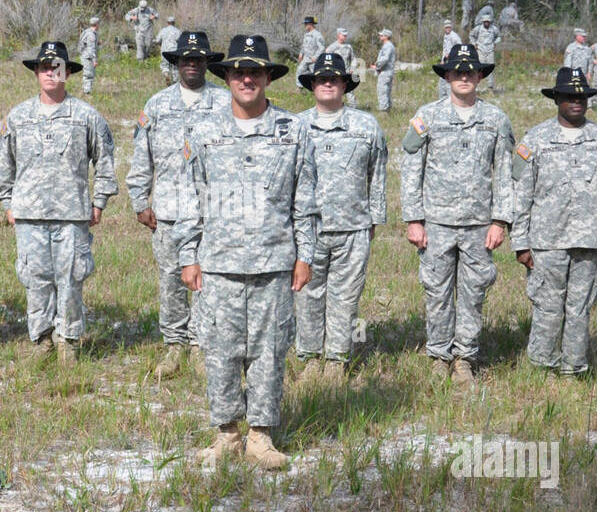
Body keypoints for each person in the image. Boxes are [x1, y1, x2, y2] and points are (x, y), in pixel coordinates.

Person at [175, 35, 317, 470]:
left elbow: (306, 200)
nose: (247, 78)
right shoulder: (203, 132)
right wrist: (188, 254)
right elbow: (187, 196)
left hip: (275, 263)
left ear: (269, 77)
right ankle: (227, 434)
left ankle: (261, 436)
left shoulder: (294, 132)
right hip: (217, 263)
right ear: (228, 77)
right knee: (219, 350)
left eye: (256, 71)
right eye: (239, 71)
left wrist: (305, 254)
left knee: (270, 350)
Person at [0, 41, 117, 364]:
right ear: (36, 72)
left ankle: (69, 341)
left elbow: (104, 161)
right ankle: (42, 339)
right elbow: (5, 163)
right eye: (45, 66)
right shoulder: (18, 116)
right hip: (29, 216)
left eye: (57, 66)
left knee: (71, 281)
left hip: (72, 215)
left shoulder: (87, 117)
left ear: (68, 72)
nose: (51, 71)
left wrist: (99, 201)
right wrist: (7, 202)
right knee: (35, 280)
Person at [401, 43, 514, 387]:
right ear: (447, 76)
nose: (464, 77)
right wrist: (413, 219)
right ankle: (438, 354)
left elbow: (506, 172)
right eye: (457, 72)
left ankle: (464, 357)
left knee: (473, 292)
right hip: (436, 222)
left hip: (479, 224)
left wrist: (500, 220)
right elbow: (410, 167)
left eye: (471, 72)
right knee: (436, 290)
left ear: (480, 76)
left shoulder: (495, 118)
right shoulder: (428, 116)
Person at [126, 31, 229, 378]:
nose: (192, 64)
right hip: (167, 213)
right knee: (170, 280)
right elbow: (142, 156)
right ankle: (174, 345)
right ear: (176, 63)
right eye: (186, 59)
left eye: (198, 59)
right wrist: (140, 200)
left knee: (208, 280)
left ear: (207, 64)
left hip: (210, 213)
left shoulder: (225, 104)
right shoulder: (157, 105)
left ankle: (201, 346)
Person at [511, 67, 597, 377]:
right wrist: (520, 242)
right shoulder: (535, 140)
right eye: (570, 96)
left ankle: (573, 368)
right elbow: (520, 195)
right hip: (547, 241)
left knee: (579, 309)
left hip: (590, 242)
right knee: (547, 306)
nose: (577, 101)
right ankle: (541, 367)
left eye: (582, 96)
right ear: (557, 98)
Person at [294, 52, 387, 380]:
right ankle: (309, 357)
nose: (328, 84)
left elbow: (377, 175)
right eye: (322, 79)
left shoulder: (366, 126)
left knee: (345, 296)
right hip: (308, 229)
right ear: (313, 85)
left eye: (334, 79)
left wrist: (374, 220)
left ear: (345, 84)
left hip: (353, 228)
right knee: (307, 295)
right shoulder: (297, 126)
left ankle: (336, 359)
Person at [296, 15, 325, 89]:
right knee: (299, 71)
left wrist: (315, 57)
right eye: (305, 24)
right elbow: (303, 46)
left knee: (316, 76)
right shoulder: (306, 34)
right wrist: (301, 55)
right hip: (306, 58)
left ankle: (317, 89)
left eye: (306, 24)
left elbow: (321, 48)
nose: (305, 25)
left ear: (311, 24)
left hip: (313, 60)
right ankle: (300, 88)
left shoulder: (317, 35)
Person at [437, 19, 462, 99]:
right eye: (446, 27)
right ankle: (442, 97)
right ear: (444, 28)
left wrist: (452, 55)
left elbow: (460, 47)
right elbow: (445, 49)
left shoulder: (454, 36)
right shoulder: (445, 36)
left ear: (451, 27)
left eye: (449, 27)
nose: (447, 29)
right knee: (442, 78)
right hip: (446, 61)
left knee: (450, 78)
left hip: (453, 61)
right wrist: (442, 60)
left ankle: (450, 97)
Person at [374, 28, 396, 111]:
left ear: (386, 36)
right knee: (386, 91)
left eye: (381, 35)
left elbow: (385, 58)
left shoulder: (388, 46)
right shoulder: (387, 46)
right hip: (387, 72)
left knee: (382, 91)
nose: (380, 36)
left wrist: (377, 66)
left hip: (385, 72)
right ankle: (387, 109)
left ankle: (384, 111)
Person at [78, 16, 100, 95]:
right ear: (97, 24)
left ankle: (85, 90)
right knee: (88, 74)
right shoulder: (91, 35)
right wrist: (94, 60)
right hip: (88, 57)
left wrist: (97, 43)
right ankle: (86, 92)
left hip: (85, 55)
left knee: (88, 73)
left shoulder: (87, 31)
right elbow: (91, 49)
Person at [155, 16, 181, 84]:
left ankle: (166, 74)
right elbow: (180, 42)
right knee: (175, 66)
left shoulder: (163, 30)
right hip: (174, 51)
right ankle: (175, 81)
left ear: (167, 22)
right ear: (174, 23)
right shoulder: (178, 31)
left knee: (164, 65)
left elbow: (157, 41)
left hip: (164, 51)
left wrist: (159, 43)